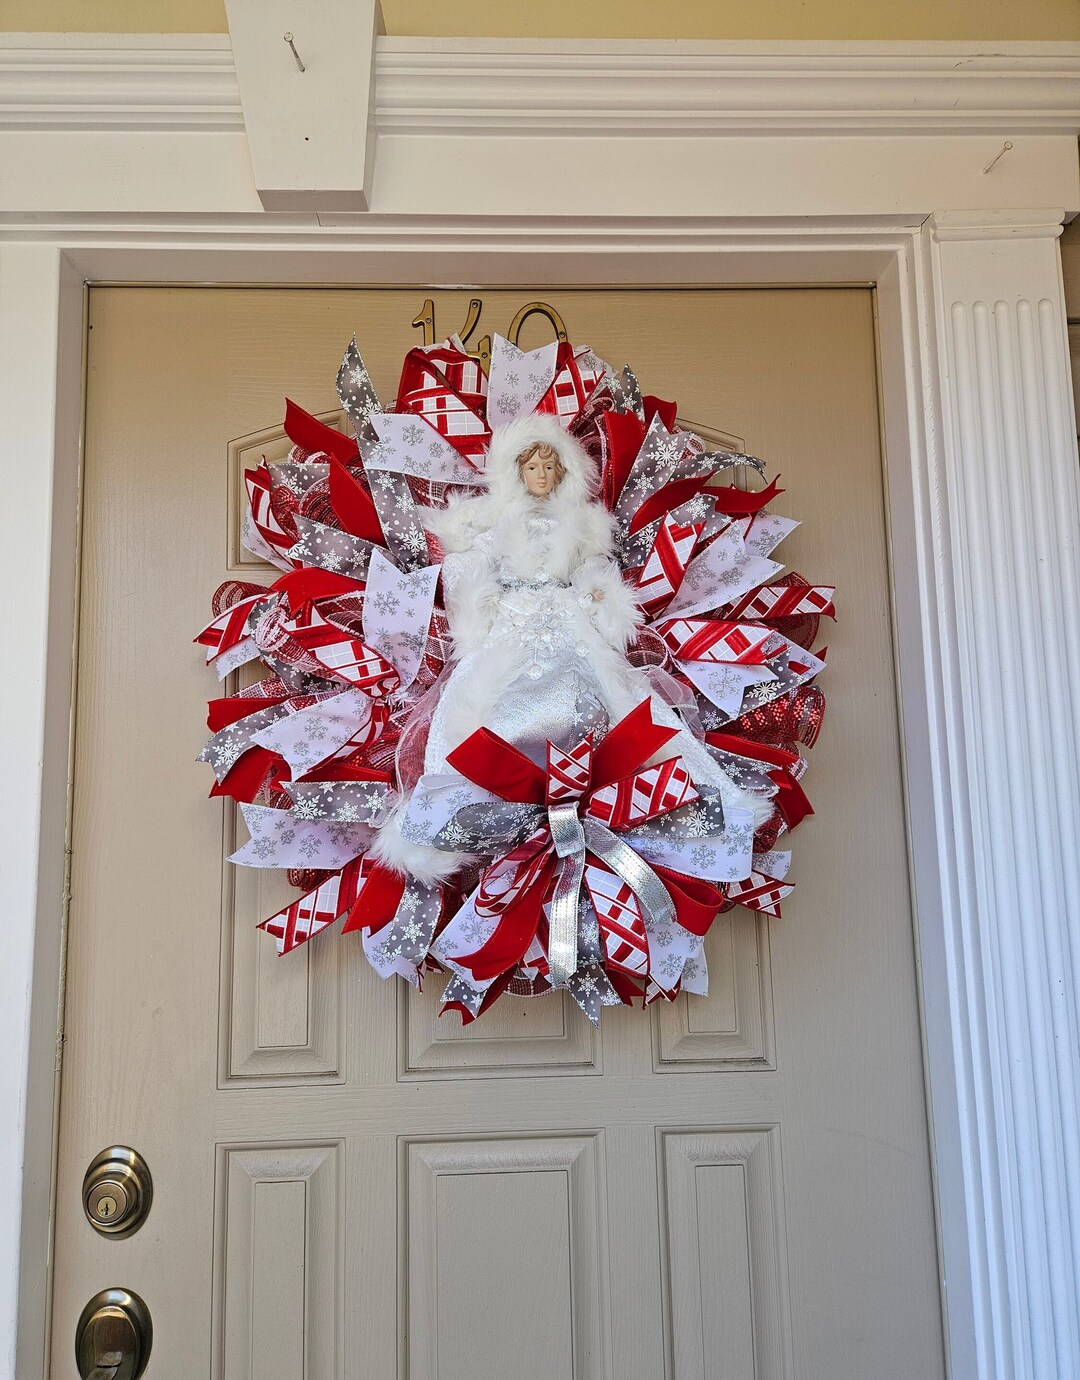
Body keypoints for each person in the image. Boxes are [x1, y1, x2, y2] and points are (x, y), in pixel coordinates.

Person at [370, 412, 770, 888]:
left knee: (613, 691)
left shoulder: (582, 524)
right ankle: (440, 823)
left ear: (563, 473)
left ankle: (685, 793)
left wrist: (599, 599)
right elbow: (467, 571)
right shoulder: (493, 521)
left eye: (549, 468)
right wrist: (481, 597)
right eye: (531, 468)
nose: (540, 476)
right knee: (473, 700)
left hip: (565, 615)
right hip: (514, 618)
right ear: (514, 473)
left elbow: (594, 574)